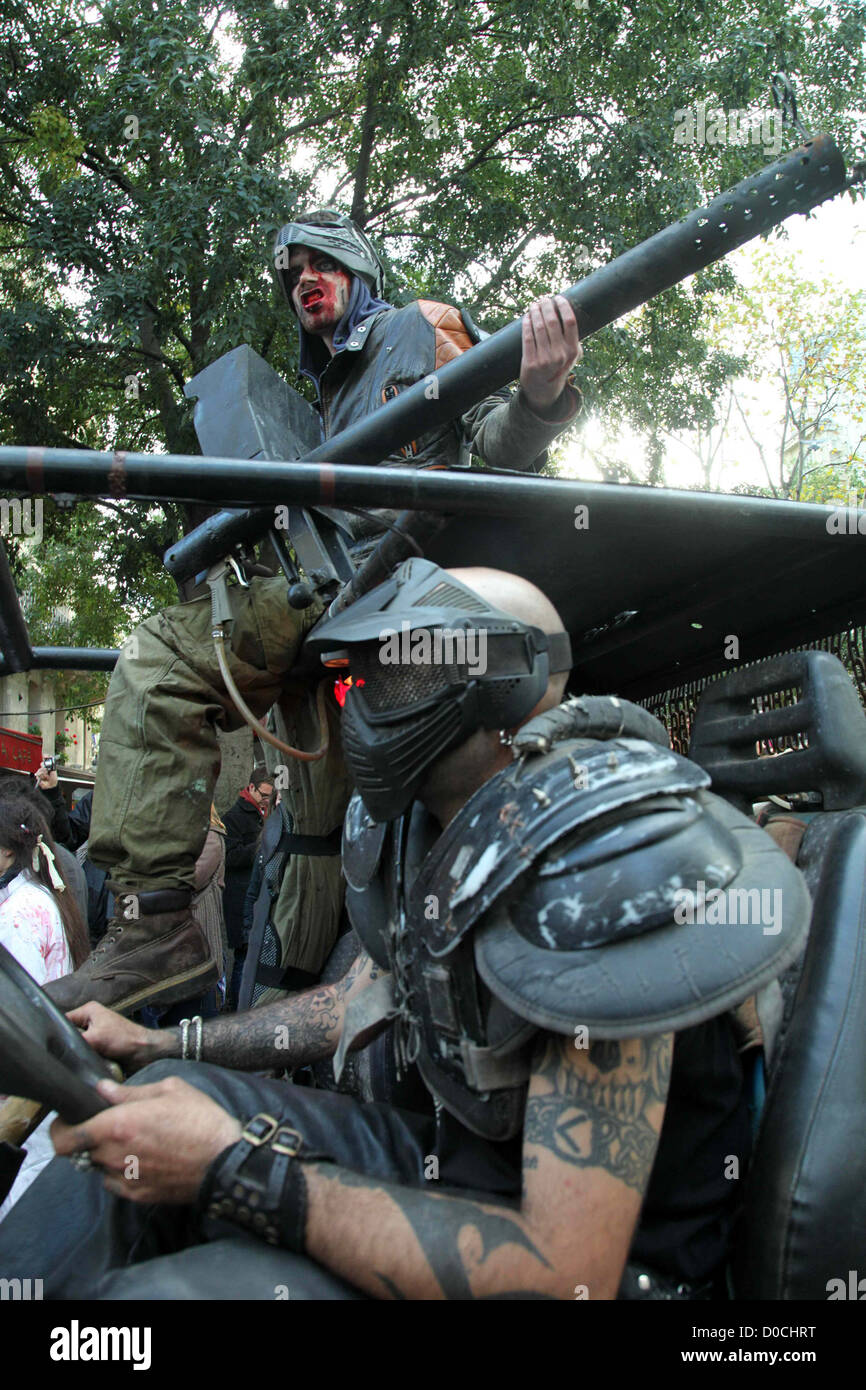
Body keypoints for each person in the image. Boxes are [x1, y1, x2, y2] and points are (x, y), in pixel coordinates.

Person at [0, 564, 809, 1298]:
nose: (366, 704)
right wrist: (163, 1048)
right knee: (150, 1104)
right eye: (366, 676)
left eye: (400, 672)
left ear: (501, 678)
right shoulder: (430, 826)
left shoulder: (604, 866)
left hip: (595, 1267)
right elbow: (351, 1004)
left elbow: (568, 1277)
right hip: (466, 1172)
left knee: (176, 1299)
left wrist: (229, 1166)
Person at [46, 208, 585, 1018]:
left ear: (357, 268)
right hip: (335, 620)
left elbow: (495, 449)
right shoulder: (320, 405)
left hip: (396, 585)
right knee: (315, 829)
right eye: (289, 271)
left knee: (160, 659)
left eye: (317, 261)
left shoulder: (421, 326)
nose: (302, 278)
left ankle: (155, 925)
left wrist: (541, 396)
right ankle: (293, 1004)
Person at [0, 795, 90, 1219]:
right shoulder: (37, 896)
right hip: (39, 1080)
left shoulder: (20, 911)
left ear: (5, 851)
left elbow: (19, 1013)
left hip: (24, 1085)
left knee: (19, 1205)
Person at [221, 769, 273, 1009]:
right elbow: (229, 858)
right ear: (251, 788)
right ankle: (237, 1008)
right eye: (263, 794)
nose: (266, 800)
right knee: (243, 956)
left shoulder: (264, 813)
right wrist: (260, 846)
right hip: (240, 899)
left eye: (270, 796)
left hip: (252, 898)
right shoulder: (233, 818)